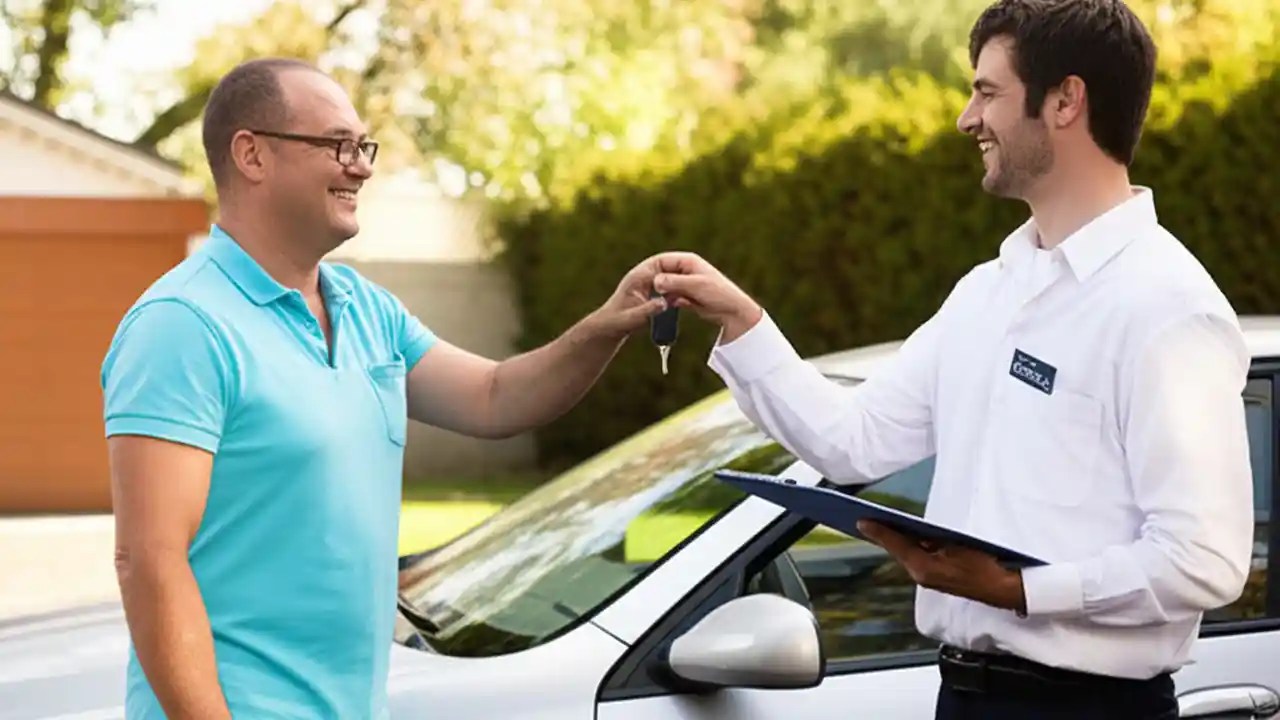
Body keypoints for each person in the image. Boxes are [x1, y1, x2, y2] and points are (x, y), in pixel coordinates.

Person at [649, 0, 1253, 718]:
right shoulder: (985, 294)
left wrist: (1018, 590)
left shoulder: (1168, 307)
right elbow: (854, 441)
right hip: (960, 698)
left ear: (1066, 100)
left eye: (987, 92)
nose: (968, 119)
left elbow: (1202, 559)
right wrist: (742, 321)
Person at [100, 58, 670, 720]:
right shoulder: (182, 325)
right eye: (337, 144)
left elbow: (494, 397)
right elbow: (150, 560)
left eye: (362, 146)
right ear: (252, 155)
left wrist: (605, 327)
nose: (361, 166)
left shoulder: (365, 309)